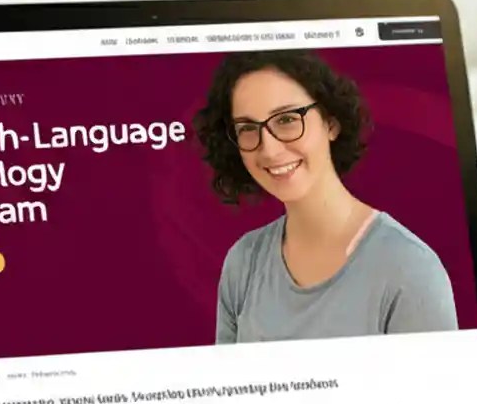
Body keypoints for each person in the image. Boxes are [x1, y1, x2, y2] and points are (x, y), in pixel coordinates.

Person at [192, 50, 458, 344]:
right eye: (247, 128)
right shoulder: (242, 262)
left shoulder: (410, 270)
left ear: (331, 123)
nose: (268, 149)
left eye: (287, 120)